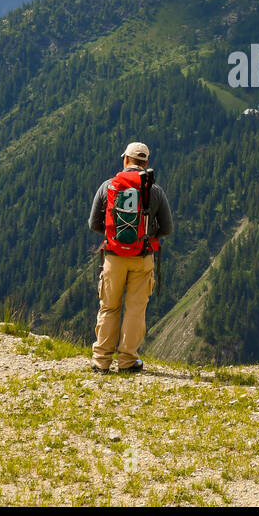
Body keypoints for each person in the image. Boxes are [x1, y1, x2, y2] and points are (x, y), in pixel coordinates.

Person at [88, 141, 173, 373]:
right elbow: (167, 228)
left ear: (125, 159)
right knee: (135, 309)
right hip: (143, 257)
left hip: (113, 257)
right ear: (146, 163)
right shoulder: (154, 191)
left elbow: (94, 223)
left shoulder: (108, 186)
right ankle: (127, 361)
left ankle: (101, 361)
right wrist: (146, 234)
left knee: (109, 307)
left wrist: (114, 235)